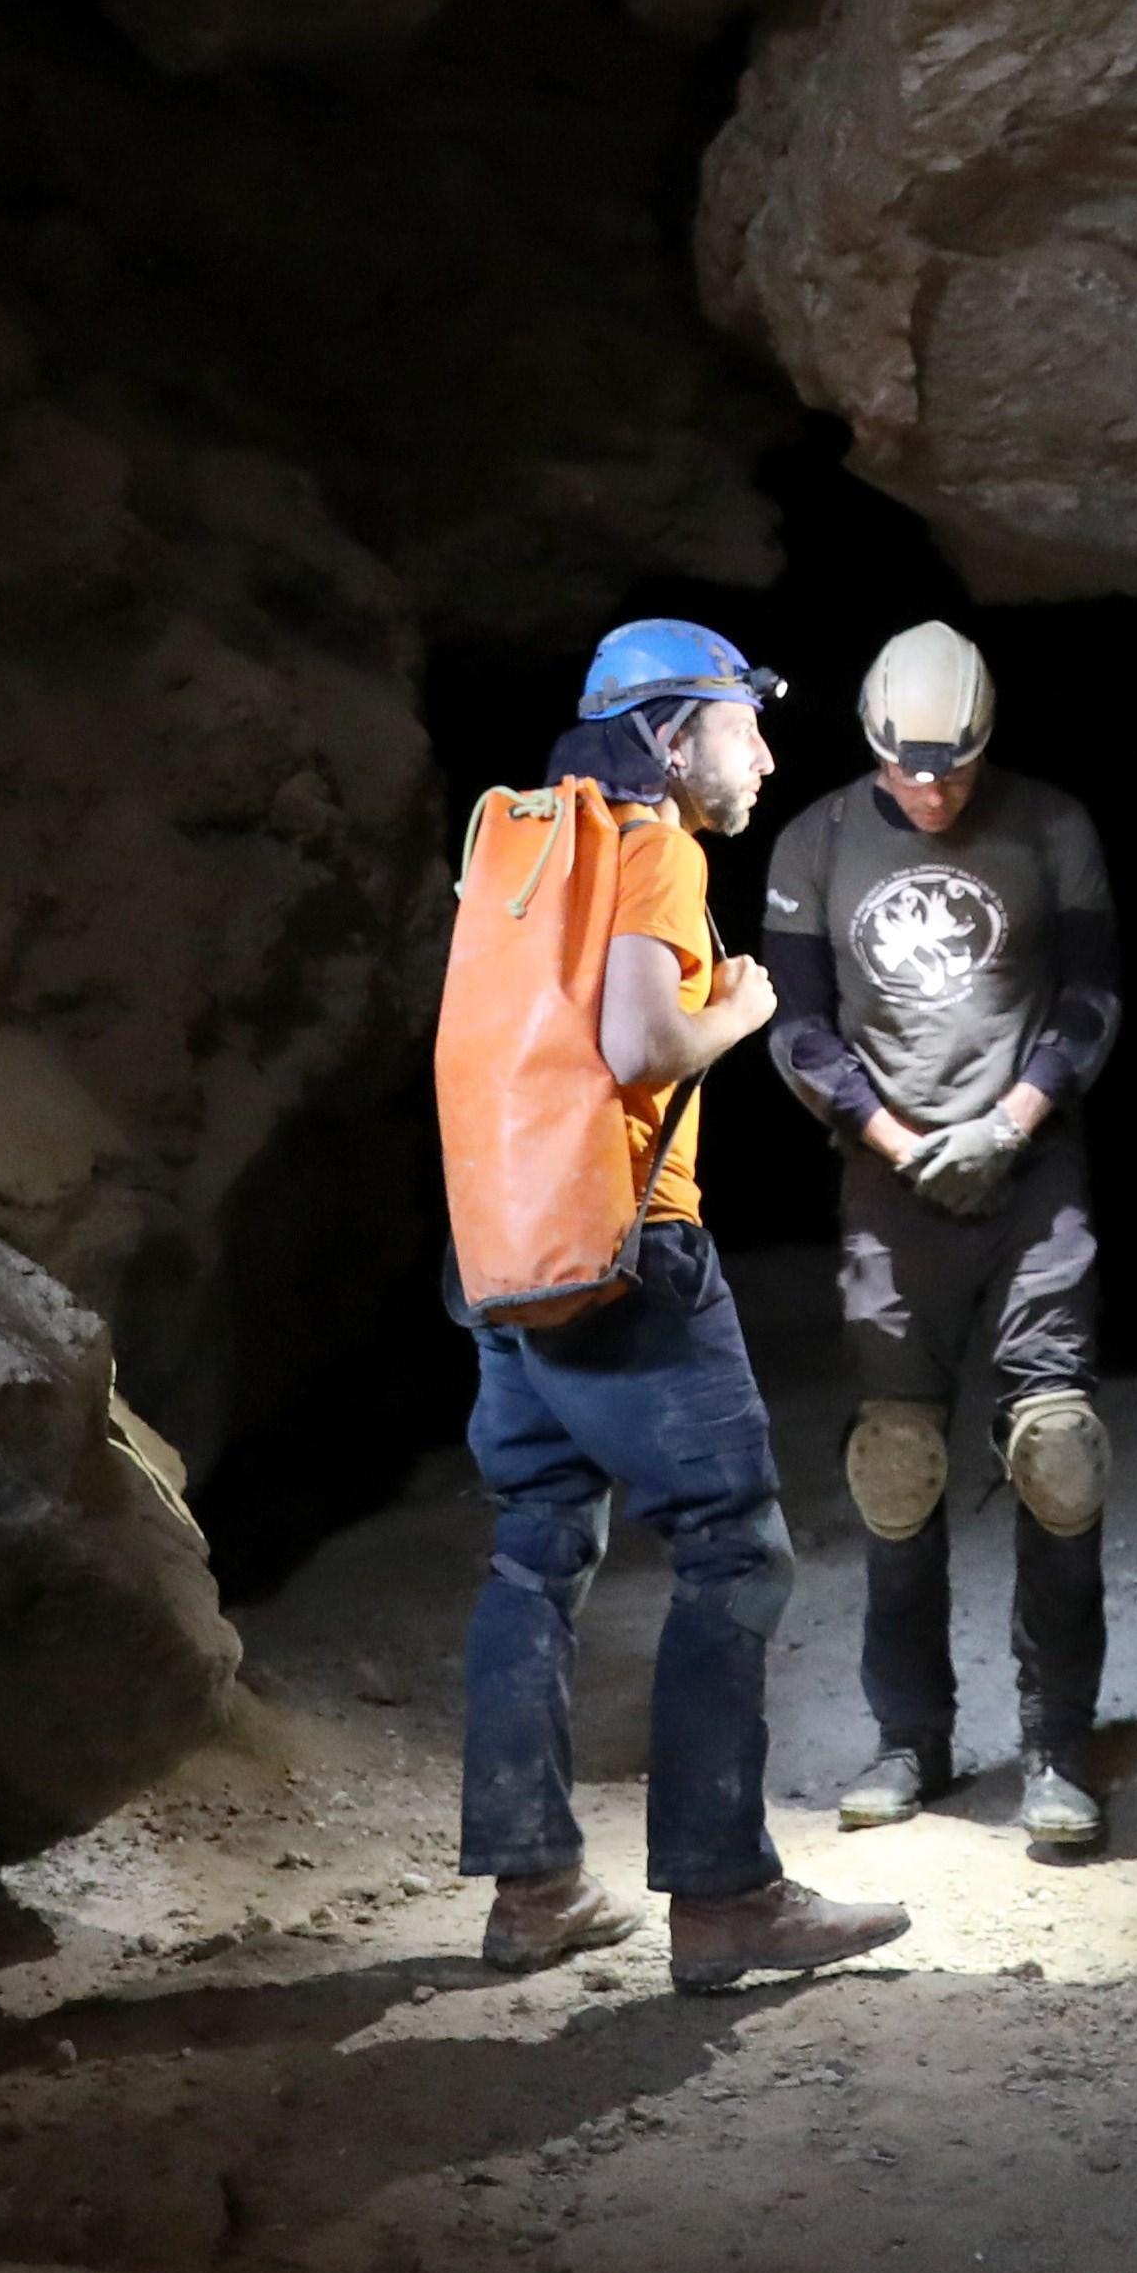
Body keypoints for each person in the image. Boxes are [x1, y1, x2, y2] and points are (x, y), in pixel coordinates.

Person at [453, 618, 914, 1996]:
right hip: (629, 1244)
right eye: (742, 726)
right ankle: (725, 1898)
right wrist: (746, 1007)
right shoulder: (653, 847)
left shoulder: (522, 848)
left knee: (534, 1551)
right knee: (735, 1548)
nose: (763, 757)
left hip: (504, 1248)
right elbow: (643, 1041)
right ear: (668, 734)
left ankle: (535, 1889)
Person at [759, 620, 1126, 1859]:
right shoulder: (815, 842)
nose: (931, 793)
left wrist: (1012, 1122)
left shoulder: (1051, 824)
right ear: (873, 744)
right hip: (890, 1179)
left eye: (955, 773)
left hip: (1032, 1172)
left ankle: (1058, 1746)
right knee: (898, 1461)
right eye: (910, 773)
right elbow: (798, 1025)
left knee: (1059, 1454)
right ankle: (909, 1737)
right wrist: (896, 1138)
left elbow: (1090, 997)